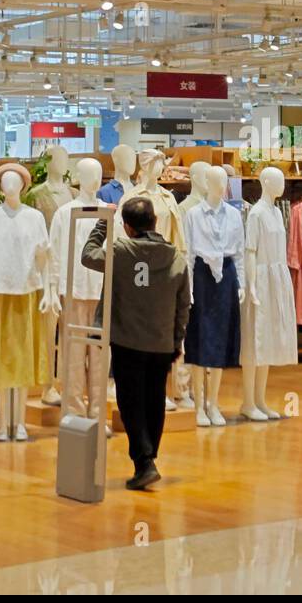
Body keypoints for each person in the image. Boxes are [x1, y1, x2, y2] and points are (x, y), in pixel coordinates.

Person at [82, 196, 191, 491]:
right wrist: (177, 340)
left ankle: (144, 461)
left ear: (127, 228)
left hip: (128, 341)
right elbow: (184, 305)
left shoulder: (120, 251)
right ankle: (149, 457)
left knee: (130, 402)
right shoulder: (176, 257)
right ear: (155, 222)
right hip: (161, 342)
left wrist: (102, 224)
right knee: (154, 400)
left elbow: (88, 254)